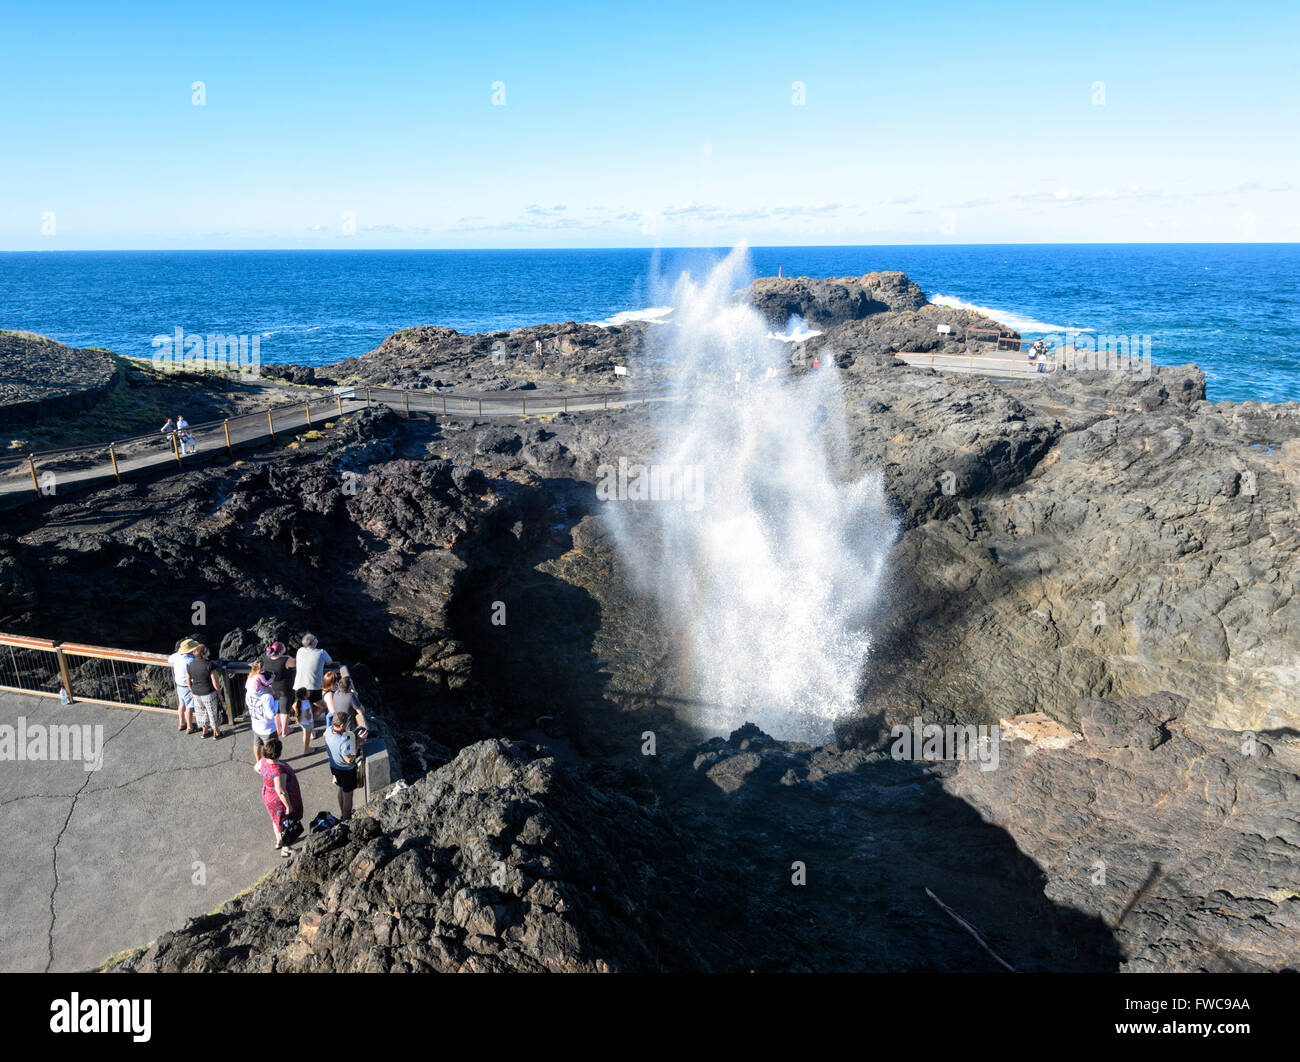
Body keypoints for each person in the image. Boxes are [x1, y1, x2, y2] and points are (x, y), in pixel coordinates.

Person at [254, 737, 303, 855]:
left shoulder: (264, 761)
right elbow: (281, 790)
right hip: (279, 800)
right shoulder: (277, 770)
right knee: (286, 823)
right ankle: (286, 848)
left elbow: (256, 768)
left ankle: (279, 841)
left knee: (276, 819)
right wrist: (288, 806)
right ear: (278, 753)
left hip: (268, 795)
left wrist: (267, 779)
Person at [324, 712, 359, 820]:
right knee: (348, 795)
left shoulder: (329, 731)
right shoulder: (343, 742)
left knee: (341, 789)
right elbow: (349, 759)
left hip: (334, 767)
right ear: (342, 726)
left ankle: (342, 813)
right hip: (346, 770)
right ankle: (346, 818)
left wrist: (352, 735)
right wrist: (359, 743)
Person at [186, 644, 224, 739]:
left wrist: (191, 690)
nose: (209, 650)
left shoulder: (191, 664)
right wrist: (219, 693)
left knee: (201, 713)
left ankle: (205, 732)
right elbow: (215, 681)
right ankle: (216, 732)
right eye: (207, 649)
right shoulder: (209, 665)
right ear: (203, 654)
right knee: (212, 712)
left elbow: (188, 679)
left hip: (196, 693)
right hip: (208, 693)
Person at [260, 642, 296, 737]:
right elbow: (297, 663)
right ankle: (285, 731)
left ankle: (278, 729)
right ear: (281, 651)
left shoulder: (267, 659)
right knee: (285, 711)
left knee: (276, 711)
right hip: (284, 689)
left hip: (272, 689)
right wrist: (288, 656)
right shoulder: (286, 660)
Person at [167, 637, 200, 733]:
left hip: (179, 685)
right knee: (189, 707)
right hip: (188, 687)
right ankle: (190, 727)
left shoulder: (176, 656)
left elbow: (169, 660)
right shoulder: (190, 660)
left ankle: (181, 723)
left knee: (182, 704)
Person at [246, 672, 279, 765]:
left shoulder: (249, 693)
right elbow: (271, 715)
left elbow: (248, 704)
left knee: (256, 744)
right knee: (272, 750)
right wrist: (276, 700)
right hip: (267, 729)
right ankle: (271, 767)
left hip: (256, 726)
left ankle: (259, 762)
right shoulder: (267, 697)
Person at [294, 633, 333, 705]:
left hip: (298, 686)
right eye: (315, 637)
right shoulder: (321, 652)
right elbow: (329, 662)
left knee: (301, 706)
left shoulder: (300, 651)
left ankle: (306, 715)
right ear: (313, 642)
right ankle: (314, 716)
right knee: (323, 706)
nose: (316, 638)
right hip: (313, 687)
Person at [293, 687, 317, 756]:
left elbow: (293, 706)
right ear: (304, 695)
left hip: (302, 722)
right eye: (307, 692)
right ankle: (306, 750)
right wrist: (310, 716)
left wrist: (298, 713)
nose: (309, 692)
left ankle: (307, 747)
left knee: (305, 734)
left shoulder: (298, 702)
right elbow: (308, 716)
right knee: (307, 736)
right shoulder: (306, 704)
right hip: (308, 722)